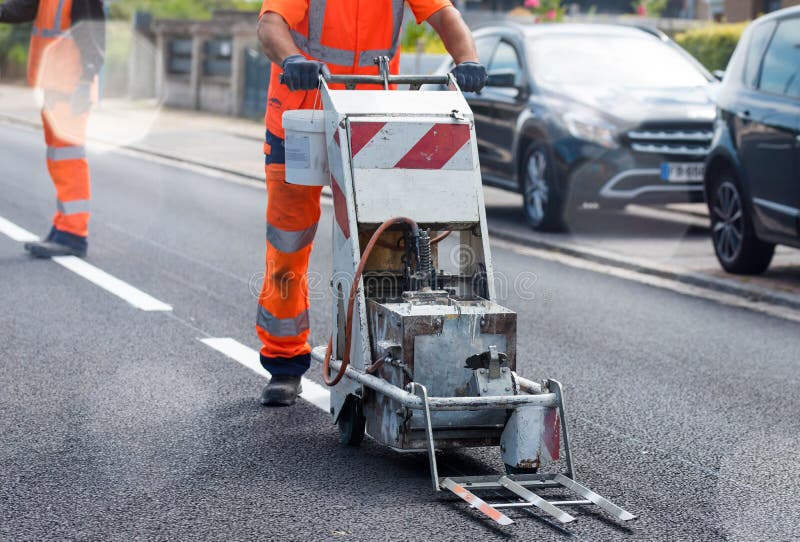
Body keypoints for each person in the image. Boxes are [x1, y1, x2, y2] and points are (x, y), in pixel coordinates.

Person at [256, 0, 487, 406]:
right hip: (299, 119)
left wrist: (467, 59)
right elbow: (270, 25)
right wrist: (292, 57)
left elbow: (447, 17)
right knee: (288, 247)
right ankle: (284, 361)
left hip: (368, 123)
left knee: (382, 243)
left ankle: (377, 356)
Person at [0, 0, 105, 258]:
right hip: (52, 85)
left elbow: (93, 32)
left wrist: (86, 79)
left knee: (69, 157)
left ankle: (73, 234)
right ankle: (63, 228)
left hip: (71, 87)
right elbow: (21, 9)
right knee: (58, 158)